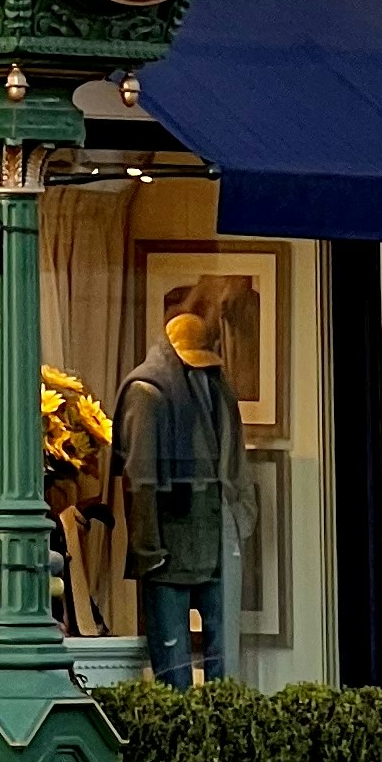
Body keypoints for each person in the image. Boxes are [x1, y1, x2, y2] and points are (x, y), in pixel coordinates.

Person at [115, 271, 253, 689]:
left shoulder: (216, 388)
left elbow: (233, 459)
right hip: (170, 551)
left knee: (224, 665)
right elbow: (140, 478)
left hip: (215, 540)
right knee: (172, 669)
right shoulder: (148, 392)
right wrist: (149, 549)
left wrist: (242, 518)